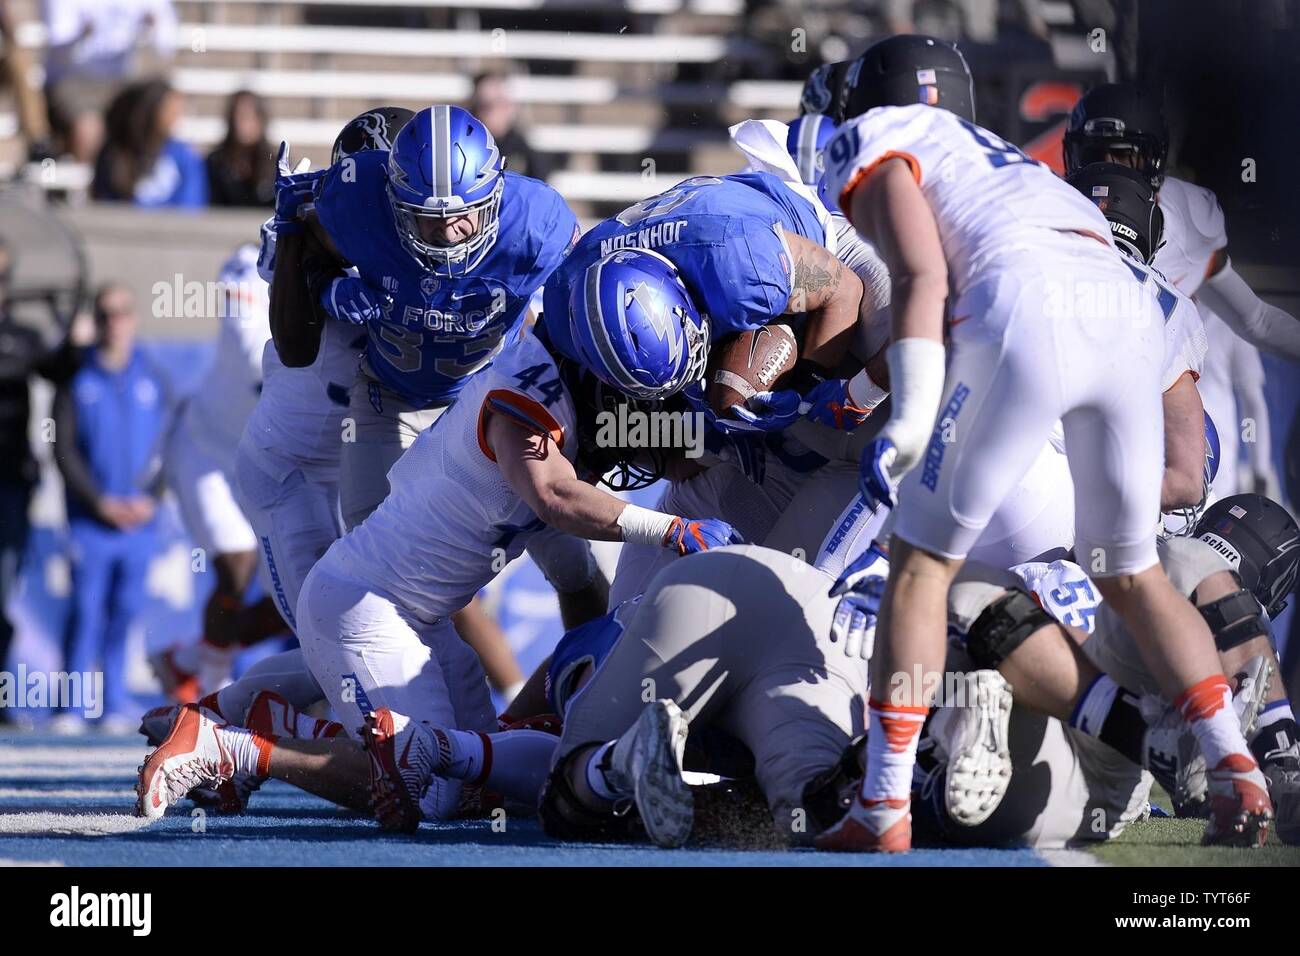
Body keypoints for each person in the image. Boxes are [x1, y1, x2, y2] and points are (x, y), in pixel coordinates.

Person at [815, 34, 1268, 852]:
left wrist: (913, 412)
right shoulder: (1004, 158)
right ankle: (1235, 762)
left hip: (1027, 305)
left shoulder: (875, 139)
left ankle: (881, 807)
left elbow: (921, 274)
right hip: (1131, 313)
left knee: (921, 568)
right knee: (1129, 574)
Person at [1063, 83, 1300, 362]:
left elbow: (1258, 321)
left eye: (1124, 155)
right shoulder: (1046, 217)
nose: (1107, 170)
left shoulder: (1190, 223)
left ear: (1154, 160)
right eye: (1093, 156)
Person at [52, 283, 169, 731]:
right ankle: (74, 705)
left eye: (121, 313)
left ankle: (115, 700)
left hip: (139, 522)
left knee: (126, 609)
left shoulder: (152, 375)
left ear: (133, 318)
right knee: (86, 607)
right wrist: (99, 502)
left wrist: (150, 498)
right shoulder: (78, 377)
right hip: (91, 521)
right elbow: (62, 449)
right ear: (95, 321)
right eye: (104, 314)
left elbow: (168, 443)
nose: (113, 322)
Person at [0, 239, 80, 715]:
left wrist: (72, 333)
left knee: (2, 589)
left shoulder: (24, 334)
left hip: (9, 480)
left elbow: (63, 369)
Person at [41, 0, 176, 163]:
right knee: (89, 130)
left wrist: (153, 27)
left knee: (153, 114)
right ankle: (96, 184)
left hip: (123, 80)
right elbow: (58, 48)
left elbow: (167, 43)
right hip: (75, 80)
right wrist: (82, 35)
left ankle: (141, 181)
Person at [93, 78, 207, 208]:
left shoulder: (184, 155)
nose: (174, 116)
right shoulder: (116, 154)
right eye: (168, 109)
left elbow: (191, 206)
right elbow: (105, 203)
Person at [469, 72, 552, 182]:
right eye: (488, 105)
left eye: (502, 103)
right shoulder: (468, 147)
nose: (498, 111)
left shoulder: (523, 150)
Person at [206, 90, 275, 208]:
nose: (240, 123)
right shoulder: (215, 164)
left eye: (247, 116)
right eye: (236, 116)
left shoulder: (276, 165)